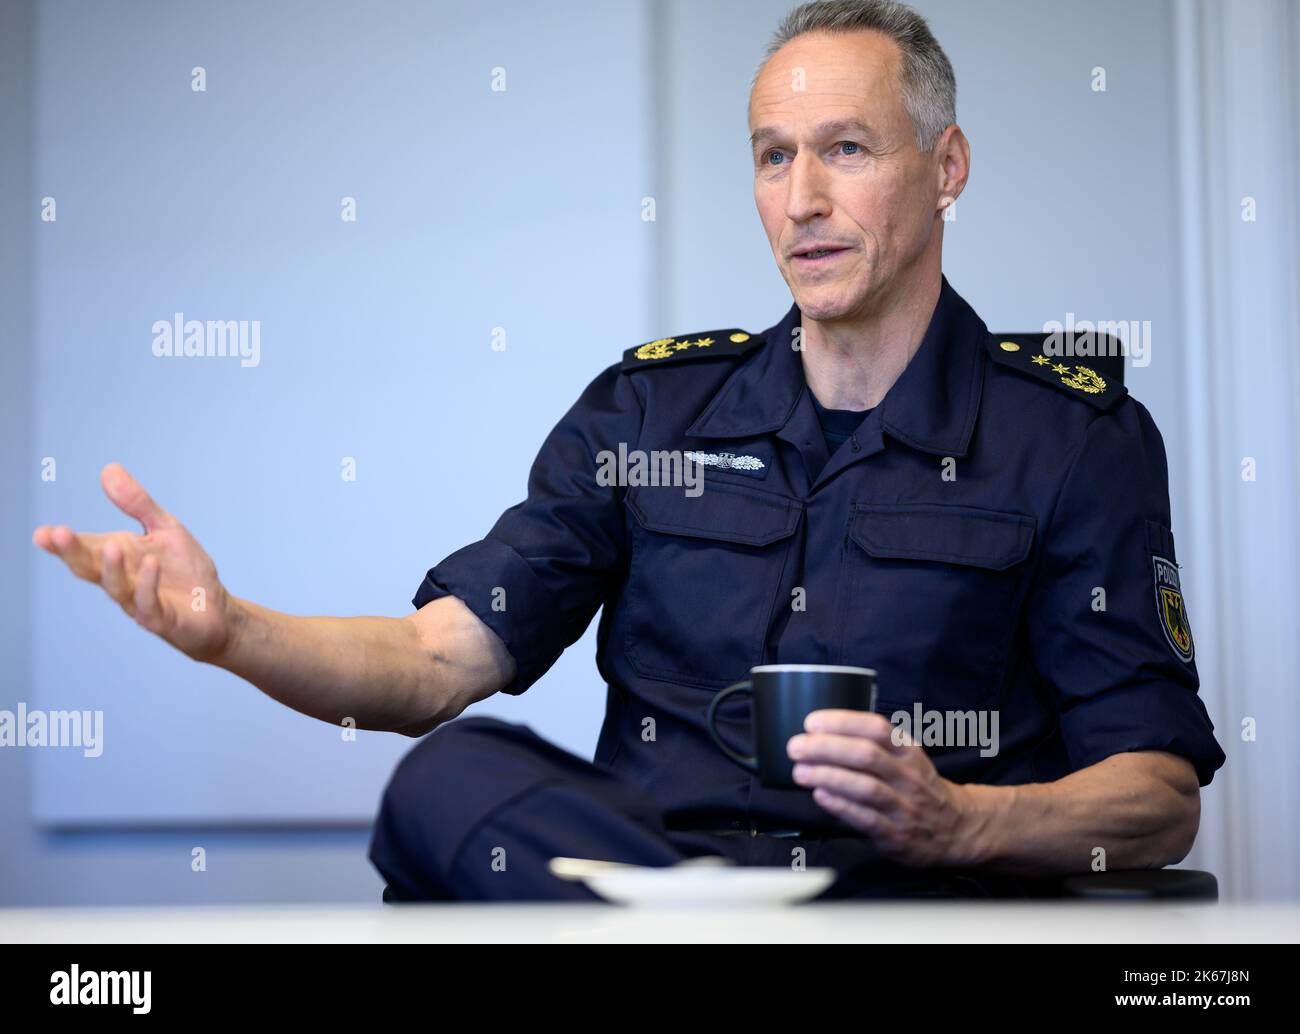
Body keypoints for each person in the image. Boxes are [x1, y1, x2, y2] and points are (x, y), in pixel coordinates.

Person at [32, 0, 1224, 901]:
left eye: (846, 149)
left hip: (900, 898)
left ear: (945, 168)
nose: (802, 196)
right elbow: (434, 661)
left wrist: (961, 819)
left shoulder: (1073, 435)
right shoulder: (649, 412)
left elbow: (1157, 794)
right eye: (772, 154)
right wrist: (232, 628)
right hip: (645, 886)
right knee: (456, 774)